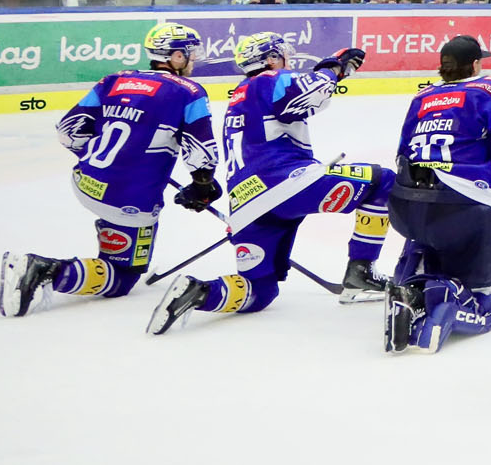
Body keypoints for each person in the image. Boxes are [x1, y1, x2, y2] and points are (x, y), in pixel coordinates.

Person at [146, 32, 385, 333]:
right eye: (282, 56)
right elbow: (309, 96)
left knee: (260, 291)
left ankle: (199, 292)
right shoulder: (269, 80)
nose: (286, 62)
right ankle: (361, 274)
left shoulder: (239, 96)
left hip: (246, 203)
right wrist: (335, 67)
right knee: (385, 182)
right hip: (285, 183)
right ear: (271, 58)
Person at [0, 22, 219, 317]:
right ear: (176, 57)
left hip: (86, 182)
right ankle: (46, 269)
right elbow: (201, 149)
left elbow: (68, 132)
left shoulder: (114, 80)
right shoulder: (190, 92)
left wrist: (103, 158)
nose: (194, 59)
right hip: (129, 199)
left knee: (117, 222)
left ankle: (113, 236)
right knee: (123, 278)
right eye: (190, 53)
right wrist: (202, 184)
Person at [384, 33, 491, 354]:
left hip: (403, 207)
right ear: (477, 64)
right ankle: (464, 298)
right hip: (464, 212)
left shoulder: (422, 98)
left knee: (428, 215)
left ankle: (410, 284)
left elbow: (401, 154)